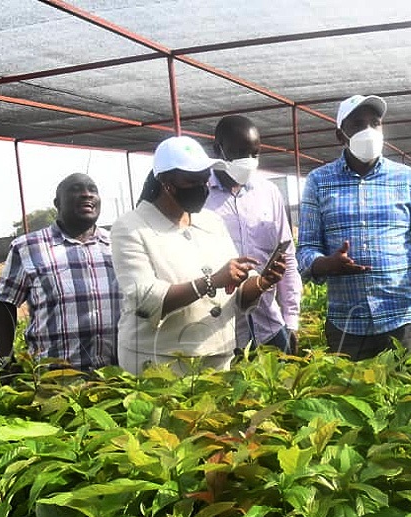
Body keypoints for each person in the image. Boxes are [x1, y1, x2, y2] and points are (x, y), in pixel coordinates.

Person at [297, 94, 411, 361]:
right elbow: (306, 248)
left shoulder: (406, 178)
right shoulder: (318, 182)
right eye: (359, 124)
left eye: (375, 123)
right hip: (348, 323)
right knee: (349, 399)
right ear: (341, 135)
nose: (369, 131)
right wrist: (325, 264)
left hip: (403, 318)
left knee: (410, 394)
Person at [111, 136, 285, 375]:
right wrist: (211, 281)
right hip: (159, 361)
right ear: (166, 182)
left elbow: (234, 291)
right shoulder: (131, 227)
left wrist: (262, 282)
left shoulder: (211, 221)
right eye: (191, 180)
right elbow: (144, 299)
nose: (202, 187)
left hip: (216, 357)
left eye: (204, 180)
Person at [0, 173, 120, 381]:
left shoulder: (118, 244)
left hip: (117, 377)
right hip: (55, 381)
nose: (86, 194)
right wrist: (4, 360)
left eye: (92, 190)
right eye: (76, 189)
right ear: (57, 203)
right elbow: (4, 304)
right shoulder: (28, 247)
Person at [206, 115, 302, 355]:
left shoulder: (268, 193)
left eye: (254, 153)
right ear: (218, 149)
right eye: (240, 153)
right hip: (221, 333)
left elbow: (287, 257)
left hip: (270, 325)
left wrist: (291, 319)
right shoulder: (200, 196)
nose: (248, 161)